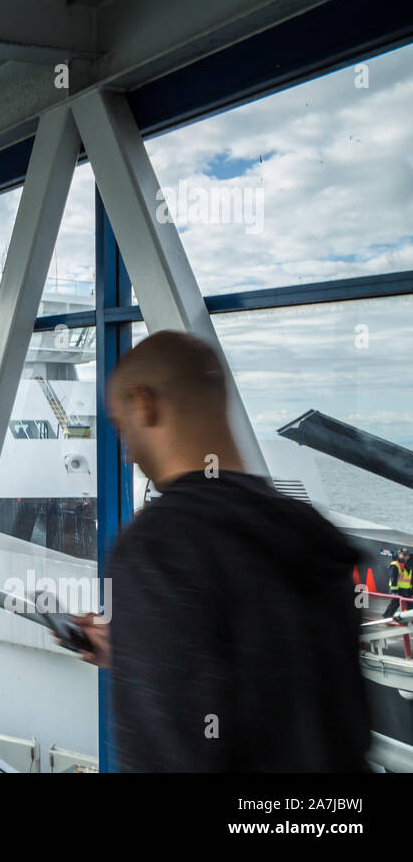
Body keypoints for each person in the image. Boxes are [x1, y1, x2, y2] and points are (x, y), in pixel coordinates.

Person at [67, 330, 370, 771]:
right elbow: (279, 680)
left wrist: (151, 655)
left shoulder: (158, 546)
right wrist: (138, 650)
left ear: (143, 403)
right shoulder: (308, 529)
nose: (127, 453)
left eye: (120, 427)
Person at [382, 547, 412, 618]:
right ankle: (386, 618)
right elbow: (393, 578)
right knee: (394, 604)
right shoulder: (395, 565)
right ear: (398, 555)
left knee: (410, 605)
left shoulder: (407, 566)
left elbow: (409, 580)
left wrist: (410, 591)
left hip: (405, 590)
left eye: (406, 555)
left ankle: (408, 619)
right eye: (403, 555)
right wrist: (394, 591)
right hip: (397, 590)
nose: (405, 557)